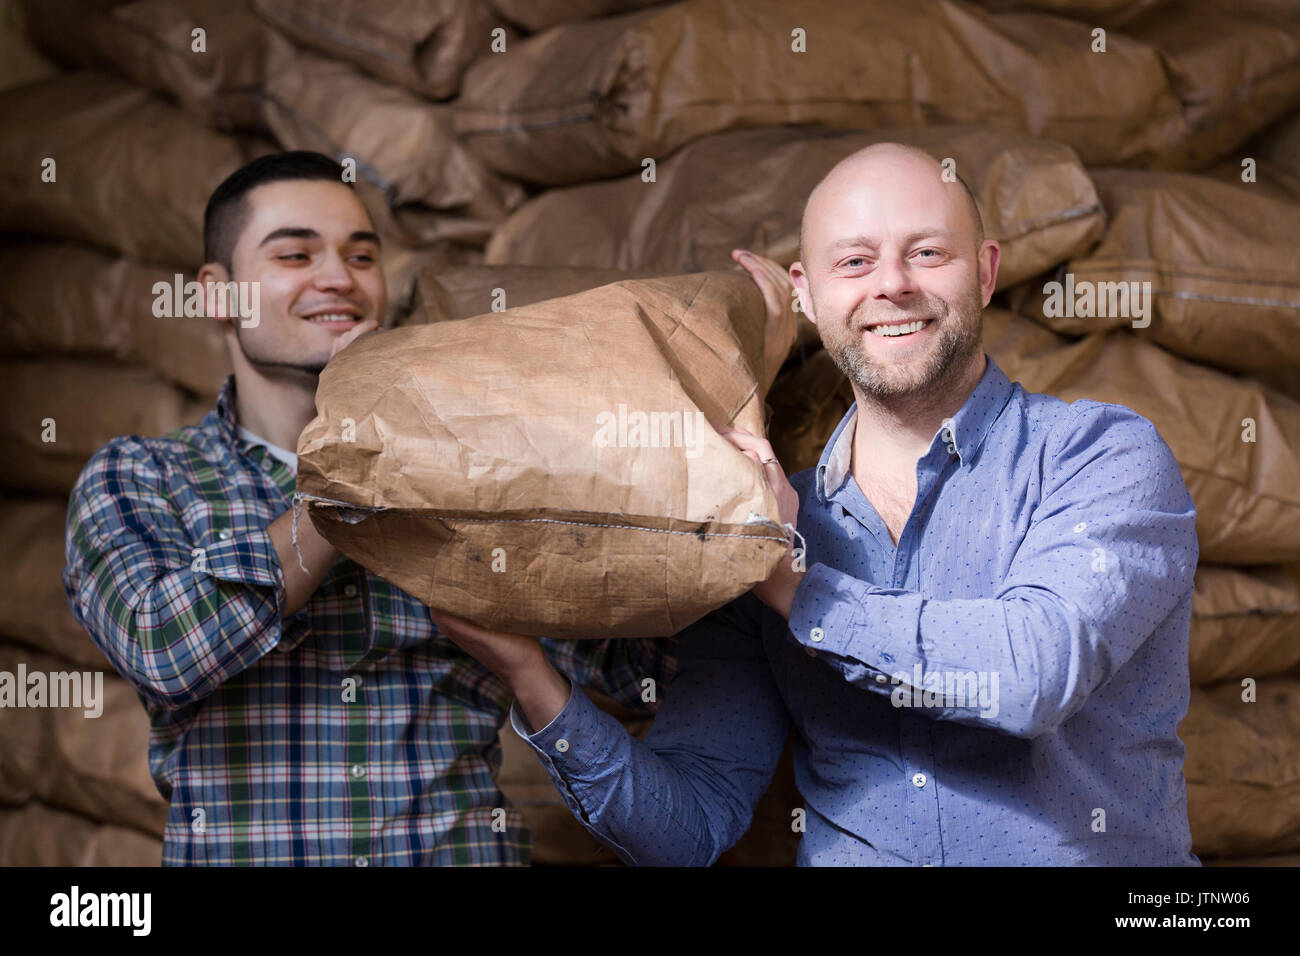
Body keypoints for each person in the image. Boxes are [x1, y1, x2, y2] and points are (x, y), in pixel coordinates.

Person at [433, 143, 1202, 866]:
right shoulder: (756, 520)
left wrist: (787, 578)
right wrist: (530, 675)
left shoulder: (1101, 454)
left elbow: (1032, 674)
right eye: (855, 262)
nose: (892, 284)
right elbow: (692, 823)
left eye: (928, 252)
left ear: (986, 271)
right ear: (805, 294)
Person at [64, 150, 752, 866]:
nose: (339, 277)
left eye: (362, 256)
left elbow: (641, 666)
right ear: (216, 293)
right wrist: (358, 465)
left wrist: (705, 490)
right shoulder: (141, 476)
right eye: (296, 253)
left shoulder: (475, 472)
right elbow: (163, 649)